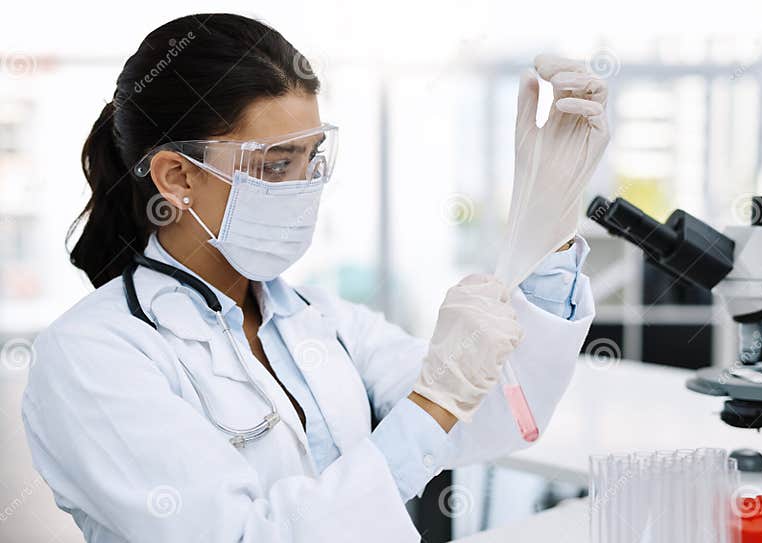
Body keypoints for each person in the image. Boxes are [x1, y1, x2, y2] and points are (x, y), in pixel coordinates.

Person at [21, 13, 606, 543]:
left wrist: (545, 228)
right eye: (277, 163)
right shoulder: (94, 354)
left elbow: (504, 417)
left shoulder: (320, 318)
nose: (305, 188)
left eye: (312, 158)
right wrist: (433, 402)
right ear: (176, 177)